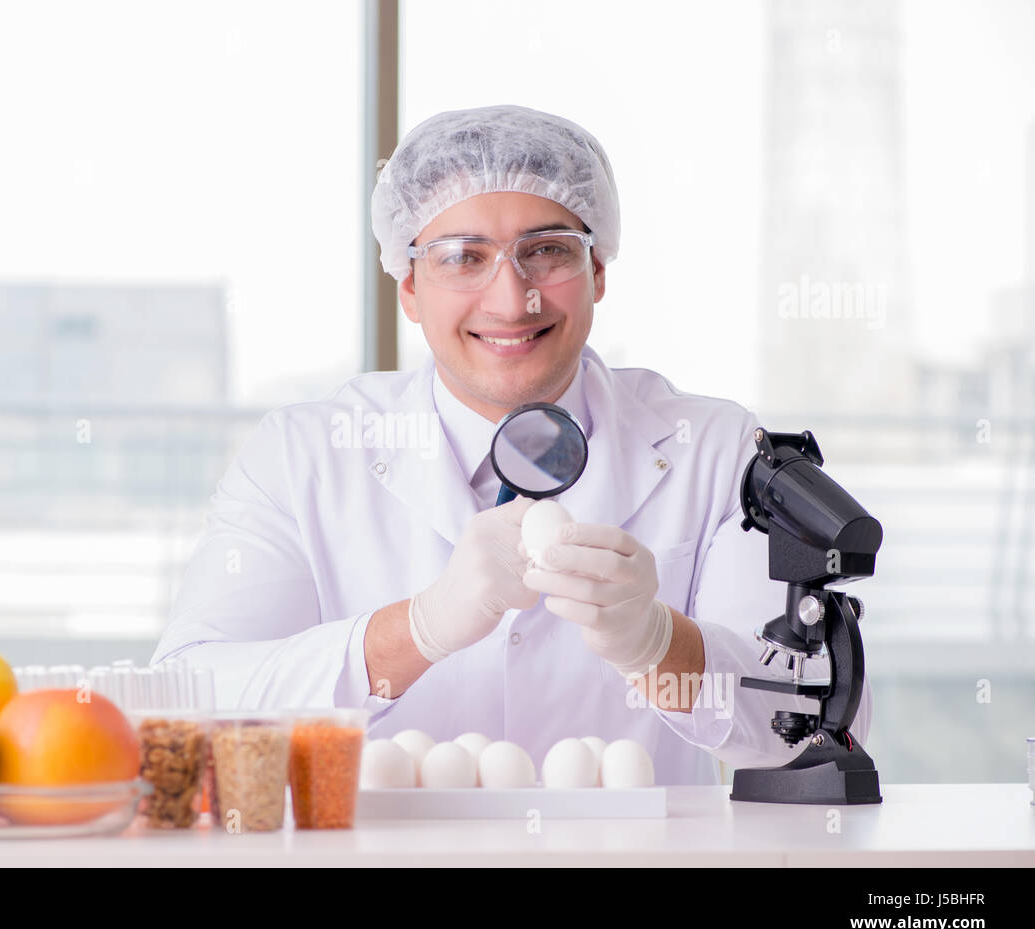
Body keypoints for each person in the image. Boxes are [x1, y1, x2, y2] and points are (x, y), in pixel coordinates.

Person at [151, 104, 871, 783]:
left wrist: (659, 646)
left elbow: (821, 726)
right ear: (407, 283)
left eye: (547, 252)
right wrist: (415, 630)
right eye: (463, 257)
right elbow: (183, 704)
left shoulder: (712, 451)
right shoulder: (303, 457)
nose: (510, 298)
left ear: (597, 271)